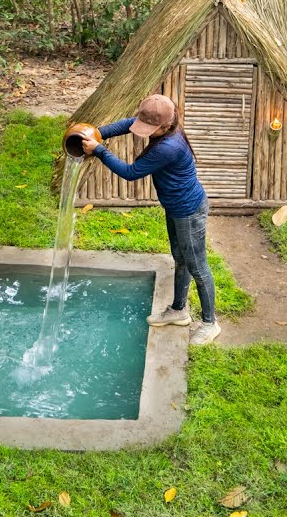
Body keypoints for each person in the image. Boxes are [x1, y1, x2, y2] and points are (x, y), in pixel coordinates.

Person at [80, 94, 220, 345]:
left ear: (165, 126)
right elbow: (128, 124)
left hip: (188, 211)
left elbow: (131, 172)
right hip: (176, 208)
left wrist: (99, 150)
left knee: (197, 266)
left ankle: (210, 323)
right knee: (181, 260)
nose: (142, 132)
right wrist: (97, 133)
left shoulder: (169, 147)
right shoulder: (165, 121)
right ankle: (179, 310)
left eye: (149, 129)